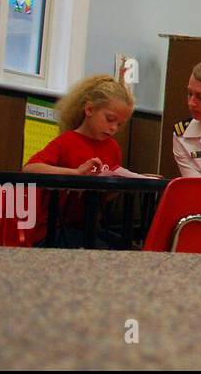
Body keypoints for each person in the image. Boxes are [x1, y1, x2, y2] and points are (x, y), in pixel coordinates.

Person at [20, 74, 135, 246]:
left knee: (132, 251)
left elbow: (105, 199)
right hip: (54, 231)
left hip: (88, 228)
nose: (113, 128)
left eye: (119, 125)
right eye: (110, 119)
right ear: (89, 110)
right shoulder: (66, 141)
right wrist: (75, 174)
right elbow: (30, 168)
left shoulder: (112, 148)